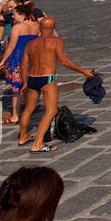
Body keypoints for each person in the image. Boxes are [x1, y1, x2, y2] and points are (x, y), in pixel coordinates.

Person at [17, 17, 95, 153]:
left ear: (40, 27)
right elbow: (64, 62)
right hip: (47, 79)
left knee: (28, 110)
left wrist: (24, 82)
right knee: (51, 111)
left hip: (32, 78)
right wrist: (83, 72)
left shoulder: (30, 43)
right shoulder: (56, 42)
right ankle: (38, 143)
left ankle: (23, 137)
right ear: (54, 27)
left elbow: (23, 65)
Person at [0, 2, 40, 124]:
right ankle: (28, 109)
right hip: (32, 58)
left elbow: (11, 46)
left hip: (18, 59)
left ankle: (15, 116)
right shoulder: (36, 25)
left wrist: (2, 61)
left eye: (14, 14)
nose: (12, 17)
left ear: (21, 14)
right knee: (28, 86)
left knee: (17, 89)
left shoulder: (17, 28)